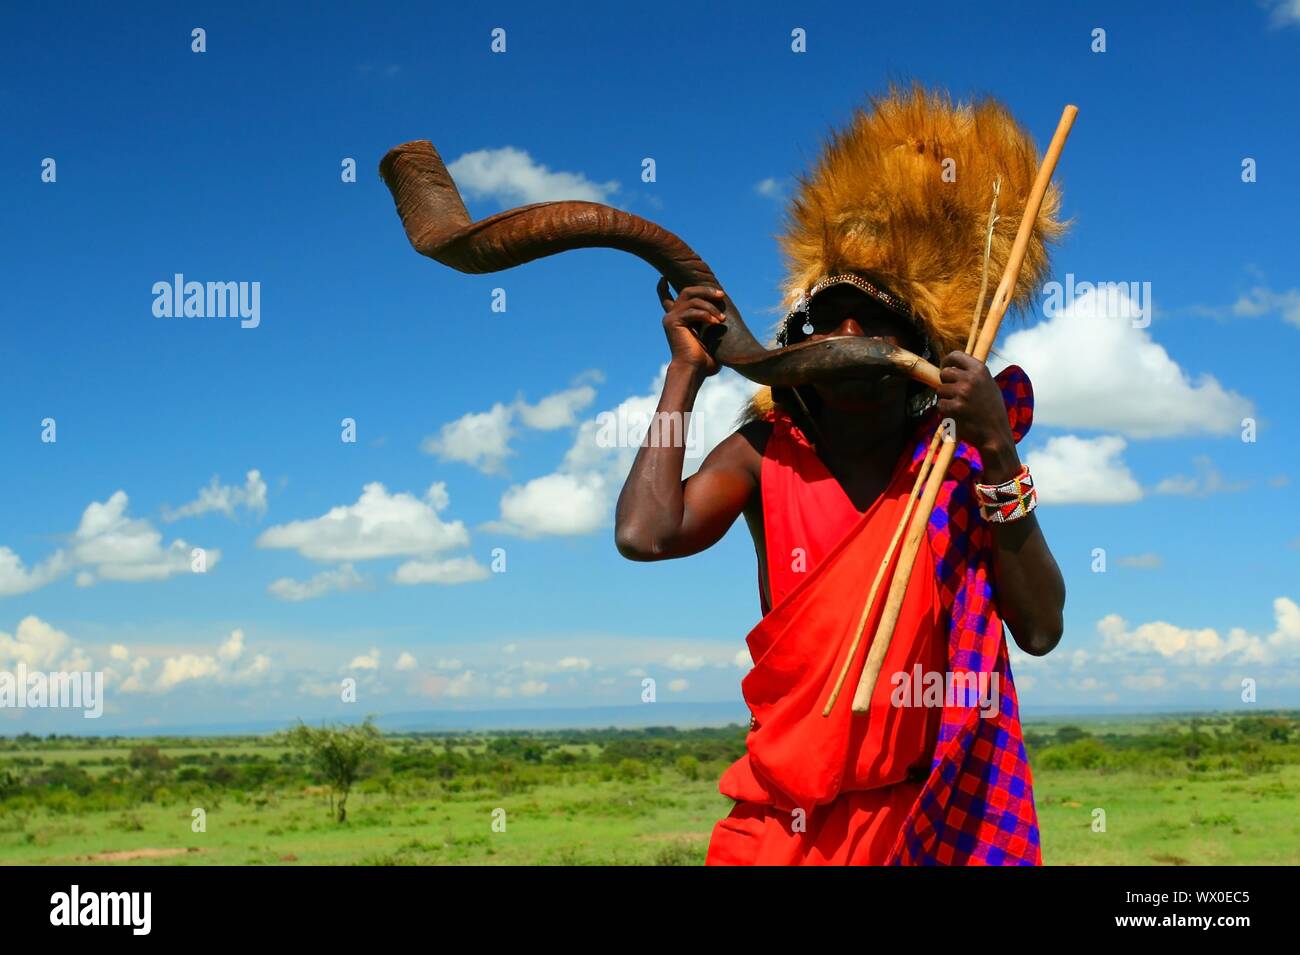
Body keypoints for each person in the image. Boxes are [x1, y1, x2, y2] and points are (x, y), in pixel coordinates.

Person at [614, 84, 1067, 865]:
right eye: (828, 320)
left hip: (922, 825)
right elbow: (645, 534)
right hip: (776, 824)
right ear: (798, 352)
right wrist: (685, 375)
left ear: (917, 353)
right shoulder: (765, 451)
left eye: (873, 318)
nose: (849, 332)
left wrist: (998, 449)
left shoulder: (953, 465)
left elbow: (1040, 629)